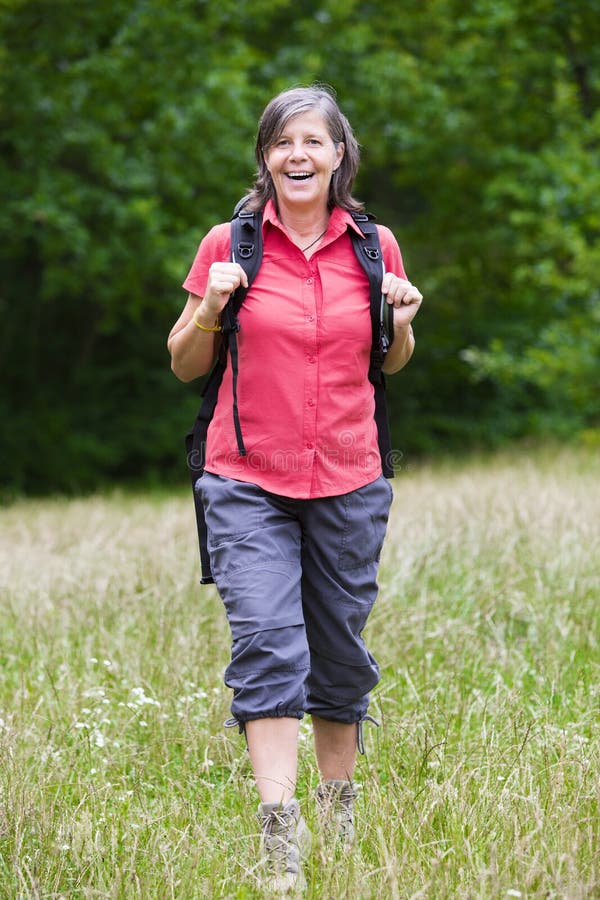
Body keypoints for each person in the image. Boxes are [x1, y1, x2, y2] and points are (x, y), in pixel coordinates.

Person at [168, 85, 422, 892]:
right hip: (246, 480)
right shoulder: (229, 245)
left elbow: (387, 361)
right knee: (269, 644)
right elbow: (183, 362)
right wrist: (209, 305)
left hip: (350, 476)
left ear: (340, 154)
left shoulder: (373, 246)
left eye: (315, 141)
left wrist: (405, 322)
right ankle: (281, 837)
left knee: (340, 655)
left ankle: (339, 812)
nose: (299, 155)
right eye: (284, 143)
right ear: (266, 159)